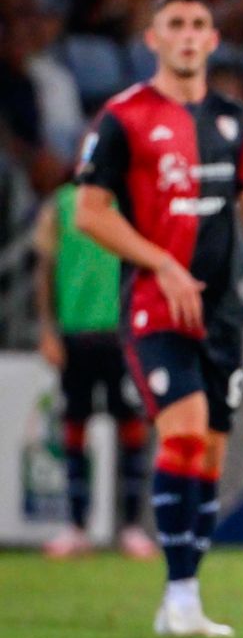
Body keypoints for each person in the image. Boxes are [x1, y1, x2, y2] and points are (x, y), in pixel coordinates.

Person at [74, 0, 243, 637]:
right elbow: (90, 212)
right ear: (153, 38)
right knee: (186, 431)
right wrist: (161, 261)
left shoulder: (235, 119)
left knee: (209, 453)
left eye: (200, 23)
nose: (189, 34)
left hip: (220, 310)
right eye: (175, 24)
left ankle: (187, 598)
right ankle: (176, 594)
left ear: (214, 38)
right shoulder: (124, 116)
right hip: (155, 305)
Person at [35, 181, 153, 560]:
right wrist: (48, 330)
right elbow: (45, 269)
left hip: (123, 333)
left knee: (131, 426)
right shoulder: (63, 204)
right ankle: (76, 526)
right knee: (74, 425)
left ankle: (131, 527)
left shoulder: (133, 198)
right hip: (76, 332)